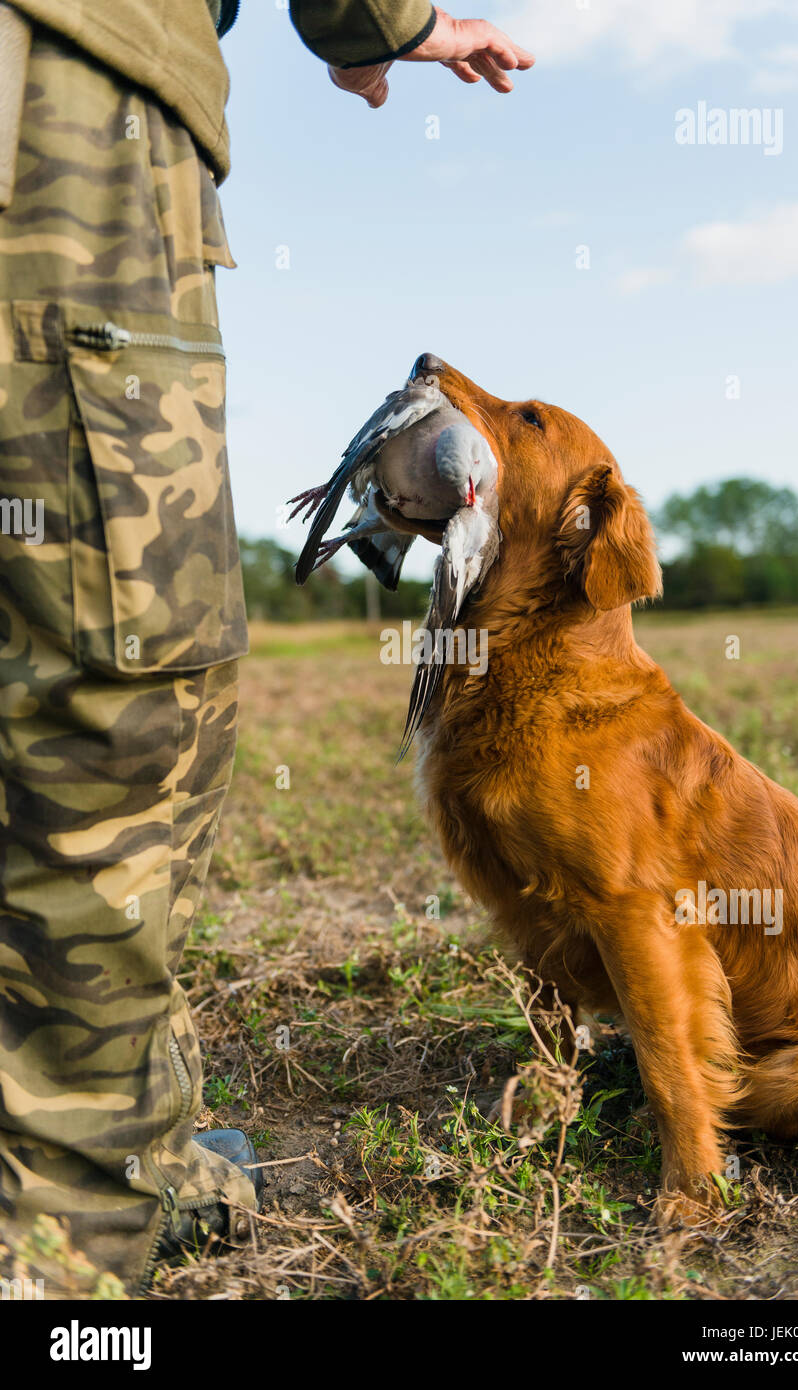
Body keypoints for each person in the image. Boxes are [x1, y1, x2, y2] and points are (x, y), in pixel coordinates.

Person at [0, 1, 533, 1295]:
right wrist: (387, 21)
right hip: (72, 94)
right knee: (120, 701)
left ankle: (125, 1138)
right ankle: (63, 1236)